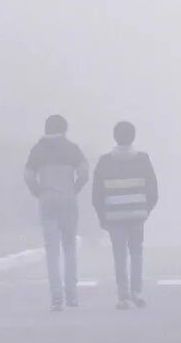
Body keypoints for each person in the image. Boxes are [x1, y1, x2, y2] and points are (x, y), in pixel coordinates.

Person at [24, 114, 88, 311]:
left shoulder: (37, 150)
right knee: (69, 248)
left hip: (47, 201)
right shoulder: (72, 149)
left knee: (51, 250)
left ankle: (56, 297)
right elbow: (84, 173)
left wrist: (39, 192)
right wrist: (73, 189)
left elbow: (28, 176)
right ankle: (72, 295)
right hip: (68, 201)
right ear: (65, 129)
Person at [92, 121, 158, 310]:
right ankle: (137, 292)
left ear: (115, 137)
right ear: (133, 137)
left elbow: (97, 194)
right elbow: (153, 190)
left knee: (119, 255)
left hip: (113, 216)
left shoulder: (105, 161)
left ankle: (123, 296)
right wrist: (146, 209)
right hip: (137, 214)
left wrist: (102, 216)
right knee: (136, 252)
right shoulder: (143, 159)